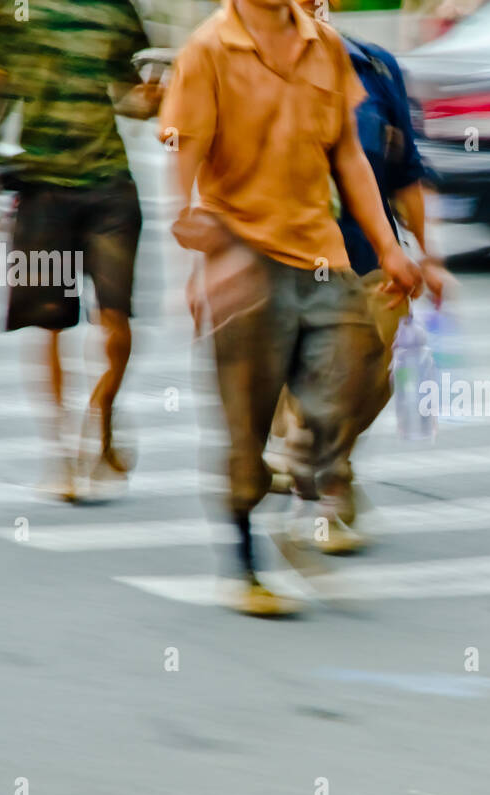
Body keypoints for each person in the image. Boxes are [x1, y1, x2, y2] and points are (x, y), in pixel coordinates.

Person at [161, 0, 428, 616]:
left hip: (320, 252)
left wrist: (390, 248)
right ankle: (246, 567)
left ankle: (309, 483)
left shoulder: (324, 47)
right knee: (246, 427)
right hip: (244, 258)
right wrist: (199, 260)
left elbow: (349, 156)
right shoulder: (207, 51)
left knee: (358, 368)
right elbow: (182, 159)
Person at [262, 0, 446, 542]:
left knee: (377, 377)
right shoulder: (245, 65)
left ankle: (330, 461)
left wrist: (425, 254)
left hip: (369, 257)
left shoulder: (376, 67)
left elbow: (406, 168)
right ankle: (324, 489)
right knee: (320, 381)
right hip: (287, 260)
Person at [0, 0, 161, 500]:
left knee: (116, 321)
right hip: (41, 186)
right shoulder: (12, 11)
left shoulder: (116, 8)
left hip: (109, 184)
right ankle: (62, 453)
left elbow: (129, 95)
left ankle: (103, 412)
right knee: (50, 322)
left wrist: (152, 98)